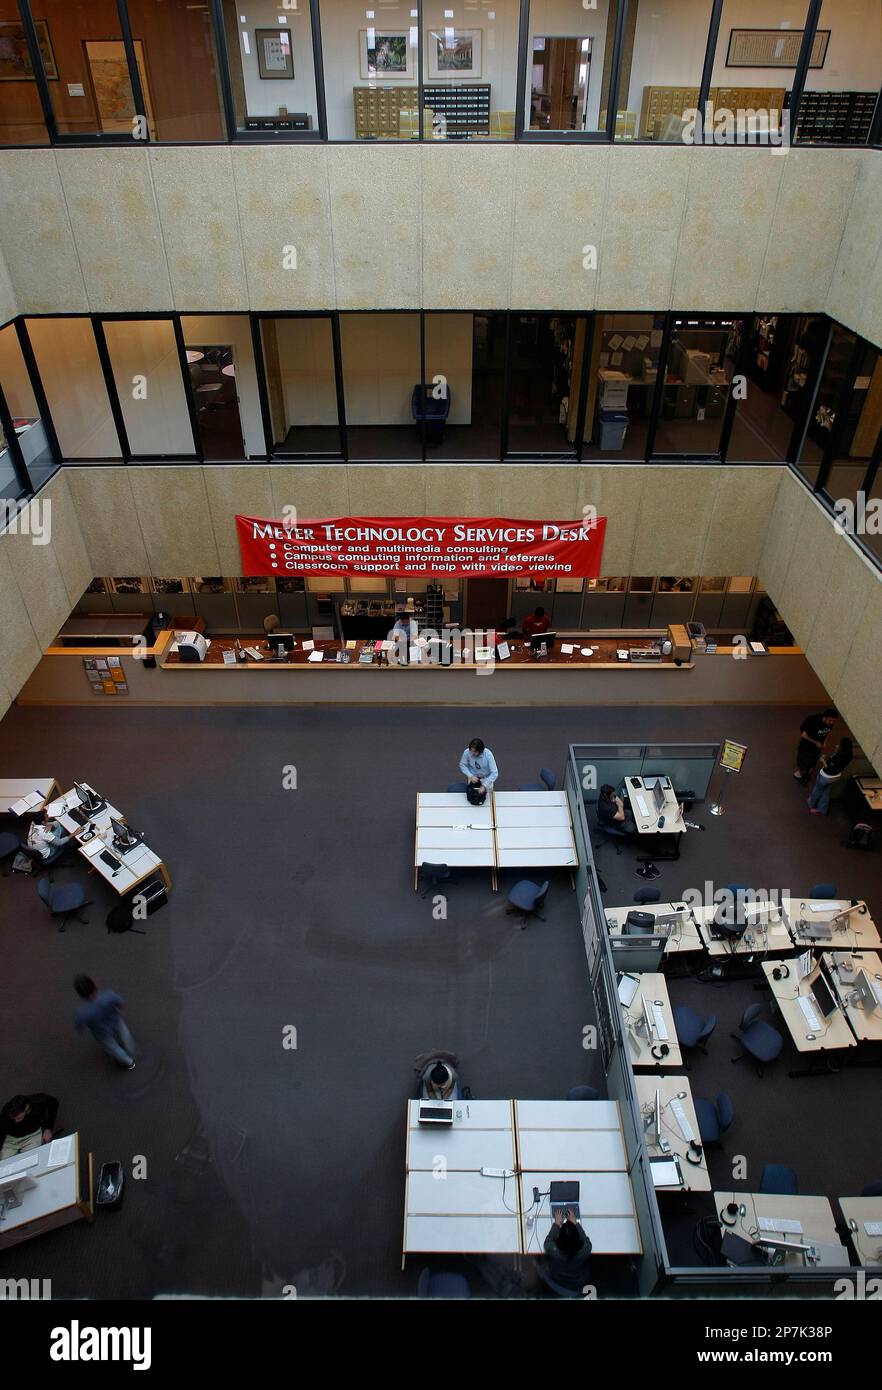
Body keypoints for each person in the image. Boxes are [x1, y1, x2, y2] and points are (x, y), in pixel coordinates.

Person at [74, 975, 136, 1070]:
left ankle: (128, 1062)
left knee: (112, 1046)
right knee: (125, 1035)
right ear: (94, 987)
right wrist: (120, 1010)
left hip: (102, 1032)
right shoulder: (109, 995)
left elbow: (80, 1026)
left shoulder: (82, 1013)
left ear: (80, 995)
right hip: (116, 1021)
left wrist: (81, 1031)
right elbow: (121, 1003)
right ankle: (131, 1050)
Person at [542, 1209, 592, 1293]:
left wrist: (557, 1224)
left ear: (560, 1239)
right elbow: (587, 1241)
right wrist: (575, 1223)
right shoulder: (584, 1251)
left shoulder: (554, 1252)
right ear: (577, 1238)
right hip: (577, 1283)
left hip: (557, 1280)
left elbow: (548, 1242)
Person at [0, 1093, 58, 1160]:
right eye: (14, 1118)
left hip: (32, 1135)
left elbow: (54, 1102)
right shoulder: (6, 1112)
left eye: (19, 1118)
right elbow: (1, 1131)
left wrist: (48, 1128)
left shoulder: (38, 1101)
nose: (16, 1121)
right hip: (12, 1139)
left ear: (26, 1108)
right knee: (5, 1163)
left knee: (31, 1159)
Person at [808, 737, 853, 816]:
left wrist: (822, 760)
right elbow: (837, 765)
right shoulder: (849, 755)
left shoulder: (839, 756)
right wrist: (836, 751)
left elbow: (828, 767)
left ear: (842, 746)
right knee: (826, 792)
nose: (838, 745)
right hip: (835, 776)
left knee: (817, 789)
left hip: (826, 776)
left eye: (840, 744)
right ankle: (821, 810)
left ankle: (811, 803)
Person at [794, 708, 837, 785]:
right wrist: (816, 742)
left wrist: (824, 742)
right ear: (824, 717)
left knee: (813, 761)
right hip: (806, 746)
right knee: (803, 762)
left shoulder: (830, 724)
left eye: (833, 721)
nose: (831, 723)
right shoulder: (812, 720)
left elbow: (827, 733)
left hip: (817, 748)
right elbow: (803, 735)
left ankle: (808, 774)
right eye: (830, 720)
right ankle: (800, 774)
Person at [459, 738, 498, 805]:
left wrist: (484, 786)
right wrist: (470, 775)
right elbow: (462, 765)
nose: (472, 753)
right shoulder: (467, 752)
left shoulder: (488, 754)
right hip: (473, 779)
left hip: (486, 779)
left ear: (480, 751)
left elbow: (495, 773)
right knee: (471, 801)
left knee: (487, 804)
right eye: (471, 751)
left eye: (475, 752)